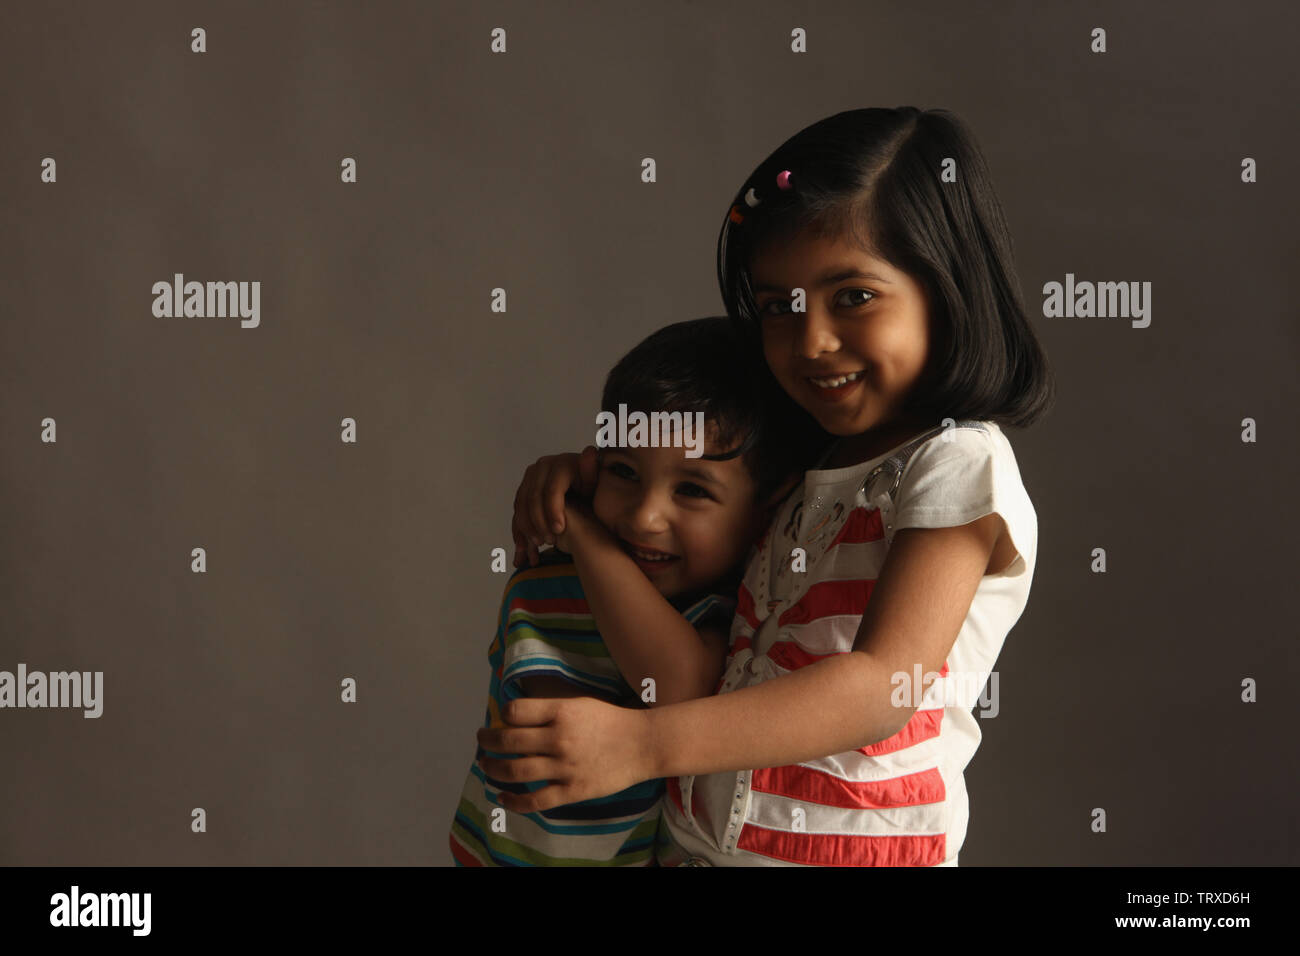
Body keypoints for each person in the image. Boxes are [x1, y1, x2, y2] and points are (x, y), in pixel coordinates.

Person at [482, 106, 1056, 866]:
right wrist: (587, 485)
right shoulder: (810, 467)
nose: (811, 339)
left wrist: (644, 742)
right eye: (779, 307)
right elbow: (687, 532)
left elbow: (885, 683)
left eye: (852, 296)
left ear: (945, 288)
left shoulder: (956, 465)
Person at [449, 316, 825, 865]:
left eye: (692, 489)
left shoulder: (720, 611)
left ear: (767, 507)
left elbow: (675, 689)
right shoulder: (550, 575)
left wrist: (582, 533)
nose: (645, 517)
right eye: (624, 471)